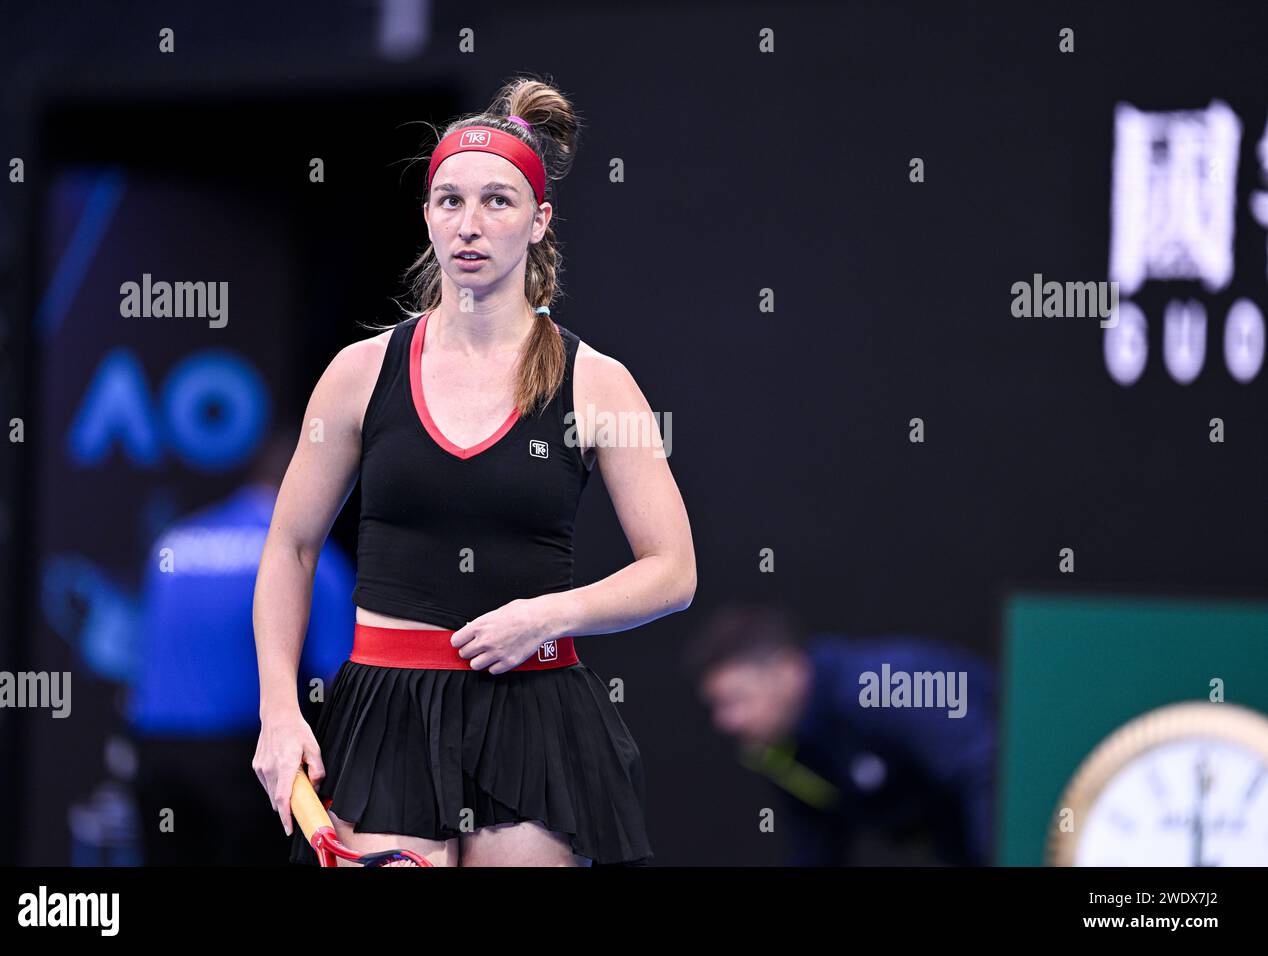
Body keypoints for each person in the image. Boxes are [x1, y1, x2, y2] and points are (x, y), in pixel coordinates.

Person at [252, 76, 696, 867]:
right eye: (450, 201)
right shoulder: (361, 372)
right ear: (426, 216)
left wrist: (547, 615)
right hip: (384, 711)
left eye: (497, 201)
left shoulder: (597, 380)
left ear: (539, 220)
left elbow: (673, 571)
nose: (470, 224)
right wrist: (279, 711)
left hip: (535, 710)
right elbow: (288, 546)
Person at [130, 422, 355, 865]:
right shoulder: (304, 558)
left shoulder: (176, 540)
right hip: (244, 761)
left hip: (155, 756)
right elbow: (342, 680)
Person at [686, 604, 996, 866]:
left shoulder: (882, 686)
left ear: (786, 671)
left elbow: (988, 767)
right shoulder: (783, 749)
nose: (726, 722)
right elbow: (817, 849)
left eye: (736, 700)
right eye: (716, 706)